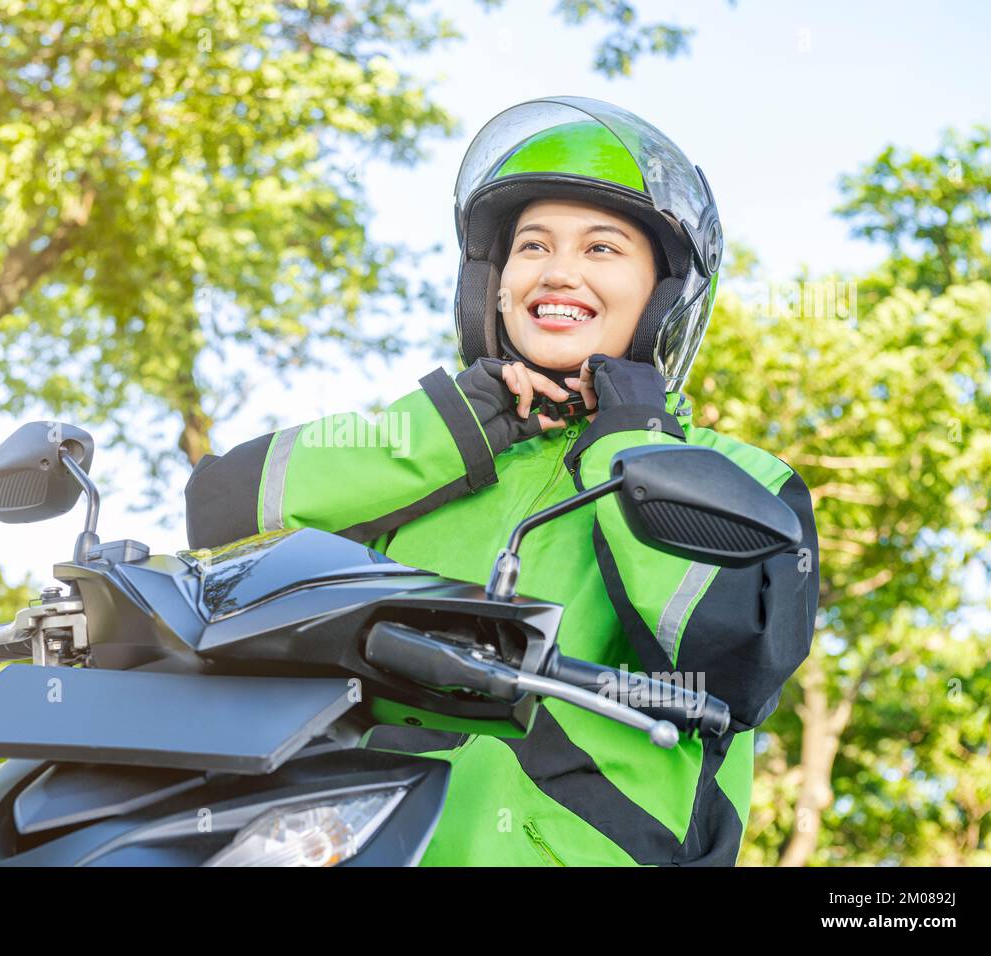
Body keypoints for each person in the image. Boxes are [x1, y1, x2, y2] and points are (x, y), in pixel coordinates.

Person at [184, 96, 819, 866]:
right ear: (493, 277)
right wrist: (452, 428)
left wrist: (632, 444)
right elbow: (219, 517)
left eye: (602, 249)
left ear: (663, 294)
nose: (558, 271)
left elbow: (733, 664)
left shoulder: (744, 477)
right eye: (532, 246)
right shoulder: (421, 454)